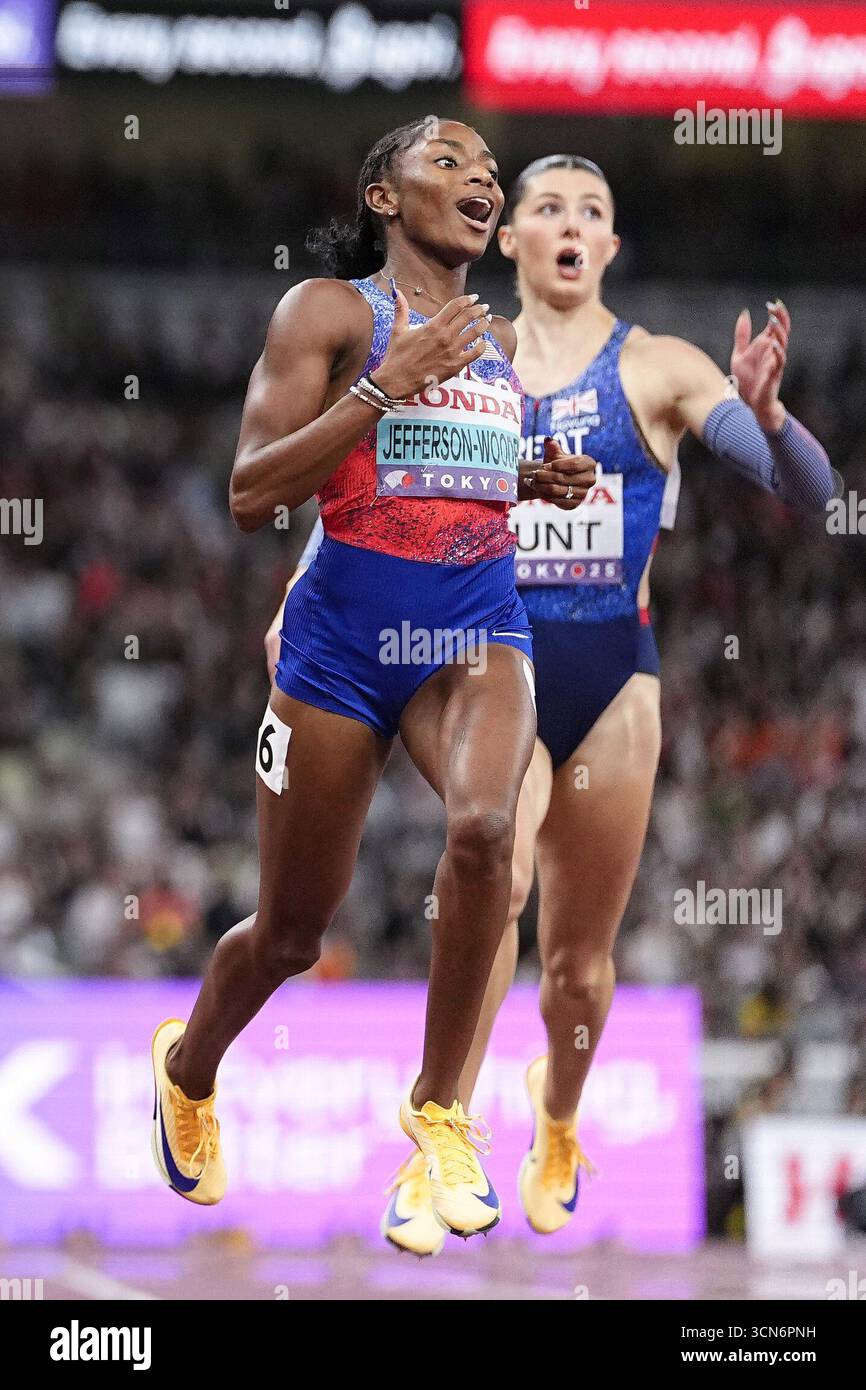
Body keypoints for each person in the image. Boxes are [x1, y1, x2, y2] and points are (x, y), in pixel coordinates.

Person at [277, 154, 835, 1255]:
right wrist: (298, 589)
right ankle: (439, 1135)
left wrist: (769, 420)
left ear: (609, 248)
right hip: (489, 657)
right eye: (547, 208)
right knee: (497, 858)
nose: (570, 224)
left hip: (612, 675)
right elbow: (363, 493)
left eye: (592, 210)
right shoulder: (455, 358)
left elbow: (807, 494)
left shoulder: (661, 368)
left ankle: (559, 1115)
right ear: (512, 238)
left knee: (576, 967)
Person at [150, 122, 597, 1241]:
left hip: (474, 632)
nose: (482, 178)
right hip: (340, 651)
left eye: (490, 169)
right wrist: (377, 391)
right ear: (383, 197)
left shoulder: (488, 342)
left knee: (489, 828)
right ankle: (190, 1068)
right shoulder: (331, 314)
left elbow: (442, 480)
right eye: (448, 161)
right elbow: (253, 494)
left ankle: (440, 1110)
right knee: (293, 935)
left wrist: (527, 477)